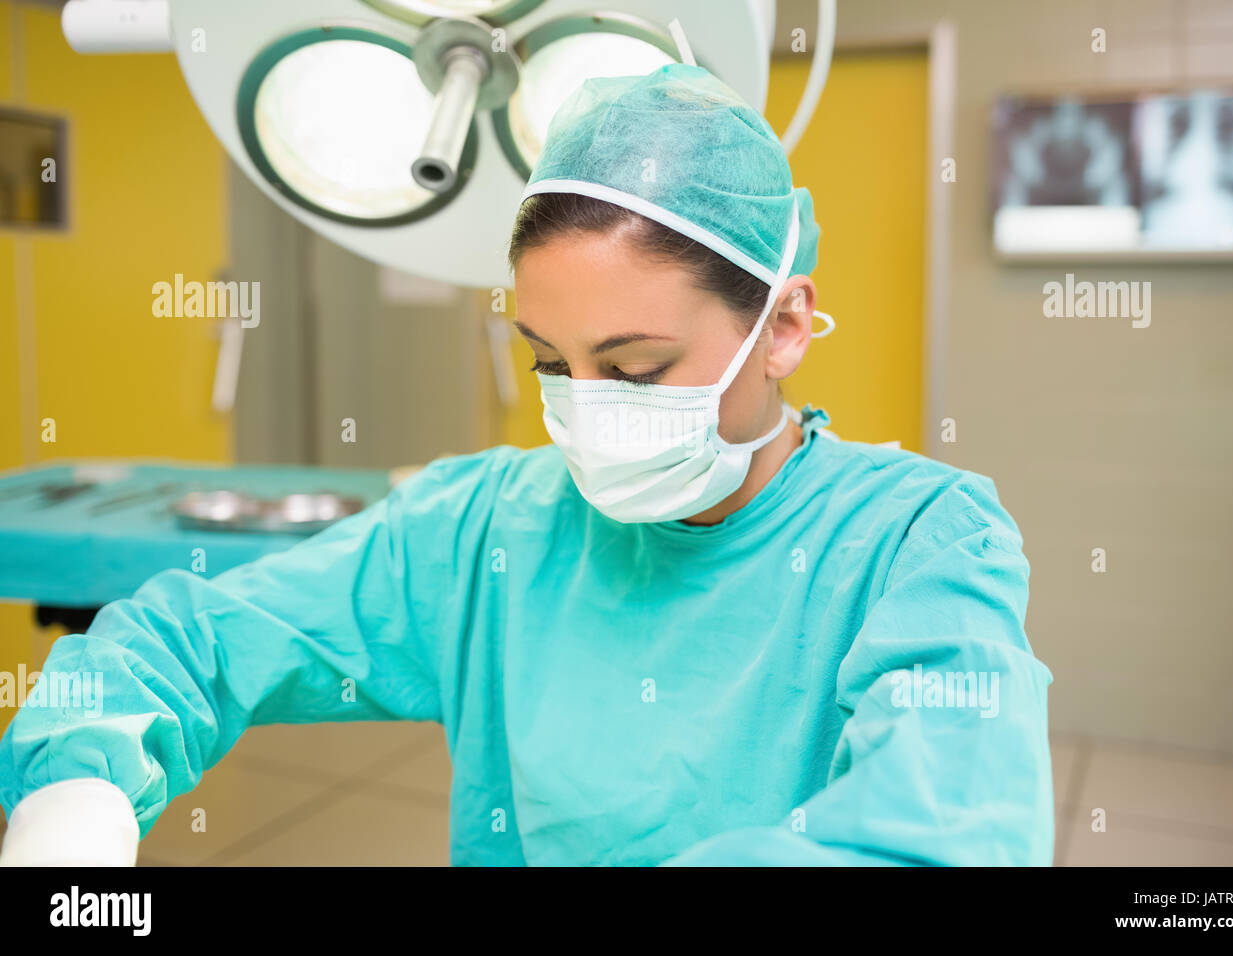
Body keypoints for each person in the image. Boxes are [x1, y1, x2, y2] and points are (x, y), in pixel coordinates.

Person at [0, 63, 1054, 866]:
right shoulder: (490, 526)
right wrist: (74, 795)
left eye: (635, 368)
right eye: (552, 362)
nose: (588, 409)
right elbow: (190, 637)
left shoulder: (917, 539)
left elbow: (941, 830)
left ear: (783, 326)